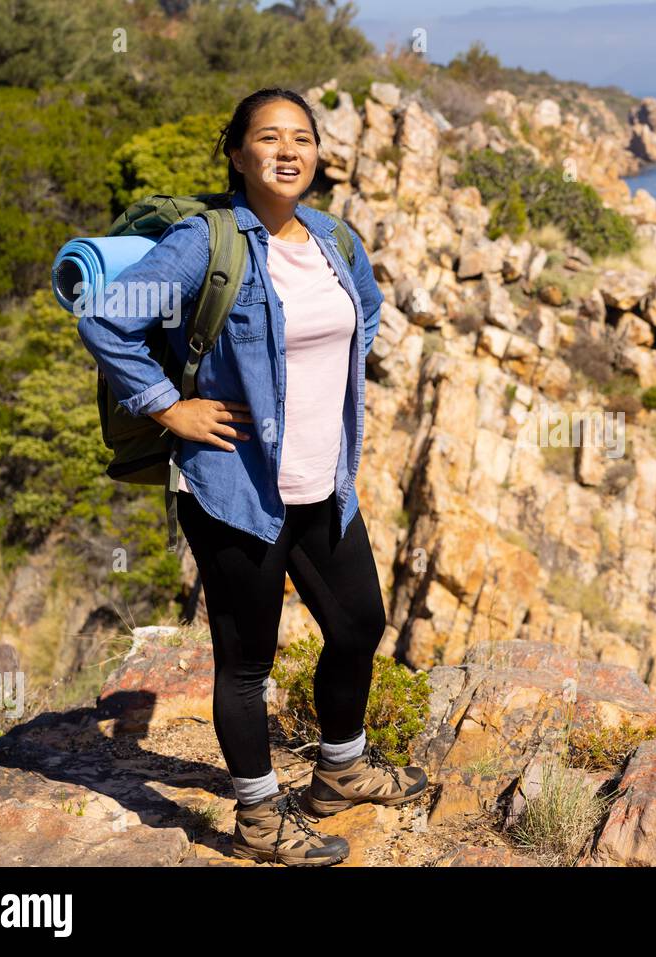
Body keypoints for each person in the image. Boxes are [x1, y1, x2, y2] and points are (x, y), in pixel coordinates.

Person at [76, 88, 428, 866]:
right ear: (236, 153)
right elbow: (105, 318)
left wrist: (324, 389)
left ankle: (339, 770)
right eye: (268, 137)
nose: (288, 150)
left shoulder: (335, 238)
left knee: (359, 624)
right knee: (249, 663)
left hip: (322, 482)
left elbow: (363, 312)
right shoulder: (206, 243)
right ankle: (260, 817)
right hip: (233, 487)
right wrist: (172, 408)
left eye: (301, 137)